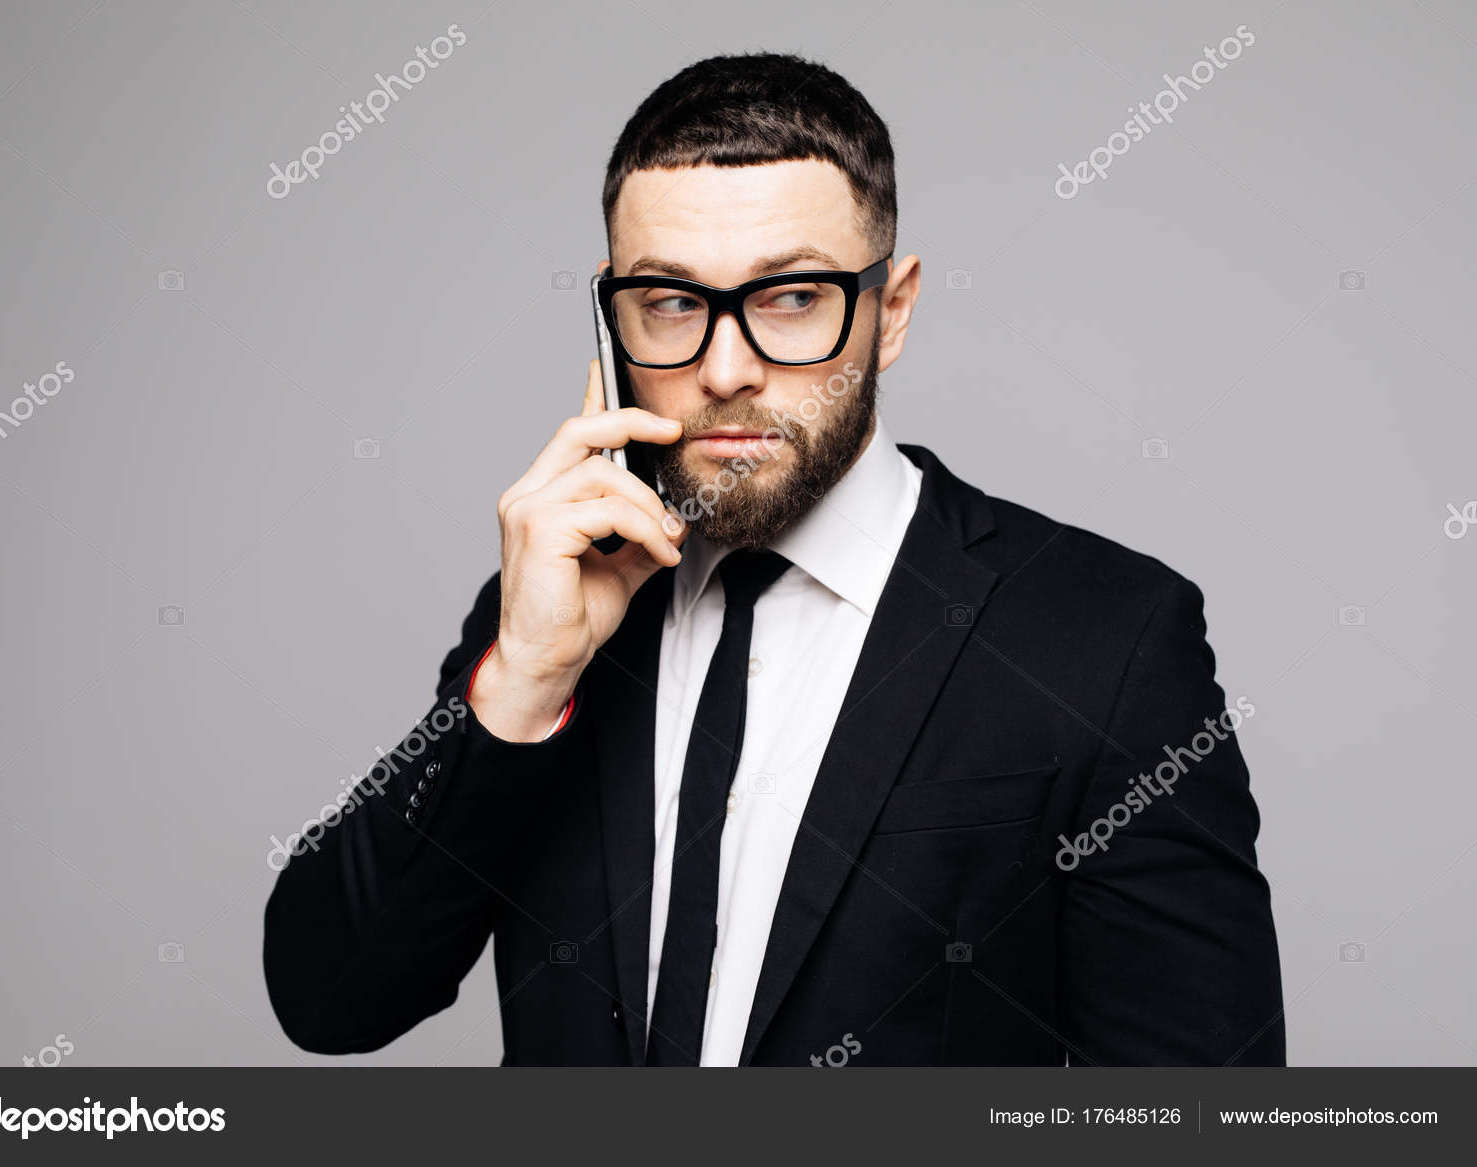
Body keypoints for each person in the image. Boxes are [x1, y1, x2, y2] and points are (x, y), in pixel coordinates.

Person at [263, 51, 1284, 1067]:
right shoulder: (549, 610)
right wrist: (523, 682)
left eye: (792, 297)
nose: (723, 369)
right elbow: (331, 999)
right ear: (609, 316)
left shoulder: (1102, 635)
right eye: (666, 302)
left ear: (891, 310)